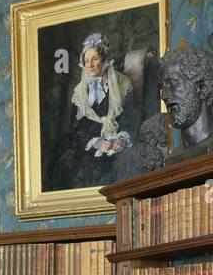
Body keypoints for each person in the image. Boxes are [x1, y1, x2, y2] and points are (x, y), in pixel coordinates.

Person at [46, 33, 142, 191]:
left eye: (95, 59)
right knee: (68, 160)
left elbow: (132, 117)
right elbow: (76, 127)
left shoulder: (122, 84)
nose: (89, 65)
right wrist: (95, 142)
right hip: (87, 142)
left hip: (115, 139)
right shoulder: (81, 91)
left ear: (104, 59)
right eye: (86, 61)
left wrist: (122, 140)